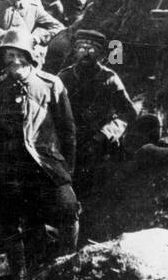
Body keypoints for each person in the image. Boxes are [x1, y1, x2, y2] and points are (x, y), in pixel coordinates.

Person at [0, 28, 79, 280]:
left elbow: (68, 132)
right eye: (8, 55)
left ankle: (64, 271)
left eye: (18, 54)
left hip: (46, 166)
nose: (13, 60)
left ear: (29, 56)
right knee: (13, 224)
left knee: (68, 210)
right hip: (11, 170)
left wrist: (66, 170)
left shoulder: (50, 85)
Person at [57, 28, 137, 192]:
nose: (86, 53)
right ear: (75, 51)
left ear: (100, 54)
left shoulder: (109, 79)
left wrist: (107, 133)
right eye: (82, 48)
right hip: (68, 143)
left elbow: (128, 113)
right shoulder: (63, 78)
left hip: (99, 144)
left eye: (91, 49)